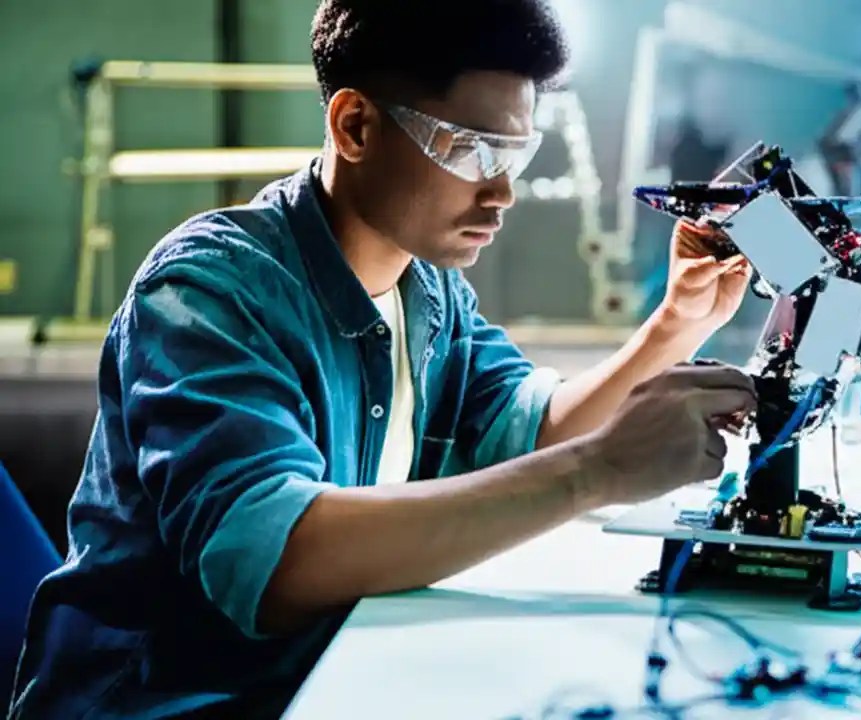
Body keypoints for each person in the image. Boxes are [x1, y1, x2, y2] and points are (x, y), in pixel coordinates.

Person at [7, 2, 756, 718]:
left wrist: (675, 324)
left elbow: (533, 431)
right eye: (469, 149)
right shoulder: (211, 290)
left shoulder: (427, 290)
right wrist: (597, 472)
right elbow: (275, 562)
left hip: (325, 678)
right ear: (356, 124)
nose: (502, 192)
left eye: (515, 153)